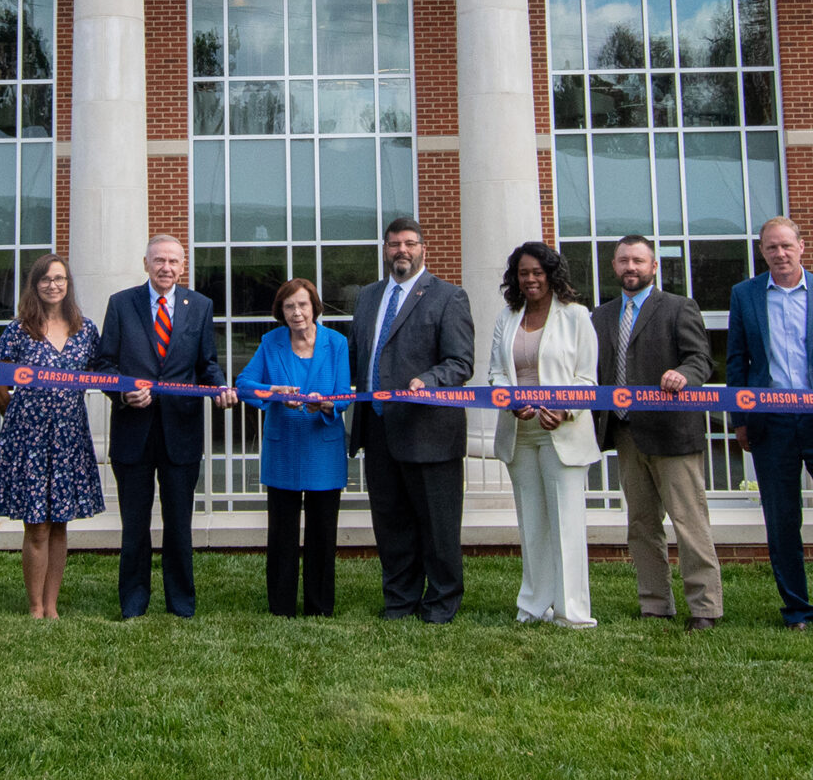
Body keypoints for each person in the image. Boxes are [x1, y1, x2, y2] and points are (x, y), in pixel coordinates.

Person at [724, 216, 813, 637]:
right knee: (782, 521)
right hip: (771, 424)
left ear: (801, 246)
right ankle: (797, 612)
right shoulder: (745, 295)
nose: (780, 253)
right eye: (771, 247)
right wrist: (740, 420)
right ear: (762, 251)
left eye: (787, 245)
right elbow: (737, 361)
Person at [94, 235, 234, 619]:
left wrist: (220, 387)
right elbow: (104, 365)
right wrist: (123, 394)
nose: (166, 268)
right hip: (133, 432)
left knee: (179, 526)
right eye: (159, 260)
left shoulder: (200, 306)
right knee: (134, 526)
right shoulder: (121, 304)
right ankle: (133, 603)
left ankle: (181, 603)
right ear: (146, 264)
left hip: (181, 432)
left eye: (173, 261)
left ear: (183, 266)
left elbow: (206, 363)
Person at [348, 216, 476, 622]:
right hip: (378, 428)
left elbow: (460, 362)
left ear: (423, 249)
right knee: (391, 524)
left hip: (428, 431)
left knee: (438, 526)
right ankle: (400, 601)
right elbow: (357, 356)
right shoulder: (368, 297)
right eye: (393, 244)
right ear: (385, 250)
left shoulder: (448, 297)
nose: (401, 250)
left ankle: (441, 602)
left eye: (409, 243)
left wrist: (429, 380)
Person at [591, 233, 721, 628]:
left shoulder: (679, 308)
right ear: (614, 266)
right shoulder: (601, 316)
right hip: (626, 433)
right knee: (641, 525)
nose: (630, 267)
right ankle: (655, 603)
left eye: (638, 260)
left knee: (689, 523)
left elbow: (701, 360)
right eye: (623, 261)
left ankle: (705, 608)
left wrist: (683, 375)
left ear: (654, 266)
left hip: (672, 432)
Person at [486, 242, 600, 628]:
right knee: (532, 525)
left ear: (551, 274)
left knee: (566, 525)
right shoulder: (507, 317)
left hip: (563, 432)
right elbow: (496, 372)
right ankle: (534, 607)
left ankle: (572, 612)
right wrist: (510, 400)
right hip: (520, 433)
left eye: (537, 272)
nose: (530, 279)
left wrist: (565, 409)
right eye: (523, 273)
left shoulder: (576, 316)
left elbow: (587, 378)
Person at [0, 252, 107, 619]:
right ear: (35, 285)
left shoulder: (85, 330)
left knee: (59, 524)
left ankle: (52, 605)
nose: (53, 285)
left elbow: (104, 373)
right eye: (46, 279)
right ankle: (35, 605)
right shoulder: (19, 329)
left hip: (69, 438)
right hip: (30, 440)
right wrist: (20, 416)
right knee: (37, 526)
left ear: (68, 285)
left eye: (59, 279)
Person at [237, 277, 353, 617]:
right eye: (289, 306)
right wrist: (274, 392)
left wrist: (326, 403)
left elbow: (344, 395)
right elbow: (244, 385)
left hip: (323, 449)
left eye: (302, 304)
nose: (297, 312)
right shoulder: (270, 342)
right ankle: (281, 605)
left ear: (314, 306)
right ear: (281, 311)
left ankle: (320, 606)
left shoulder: (337, 343)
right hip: (283, 449)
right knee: (282, 534)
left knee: (323, 533)